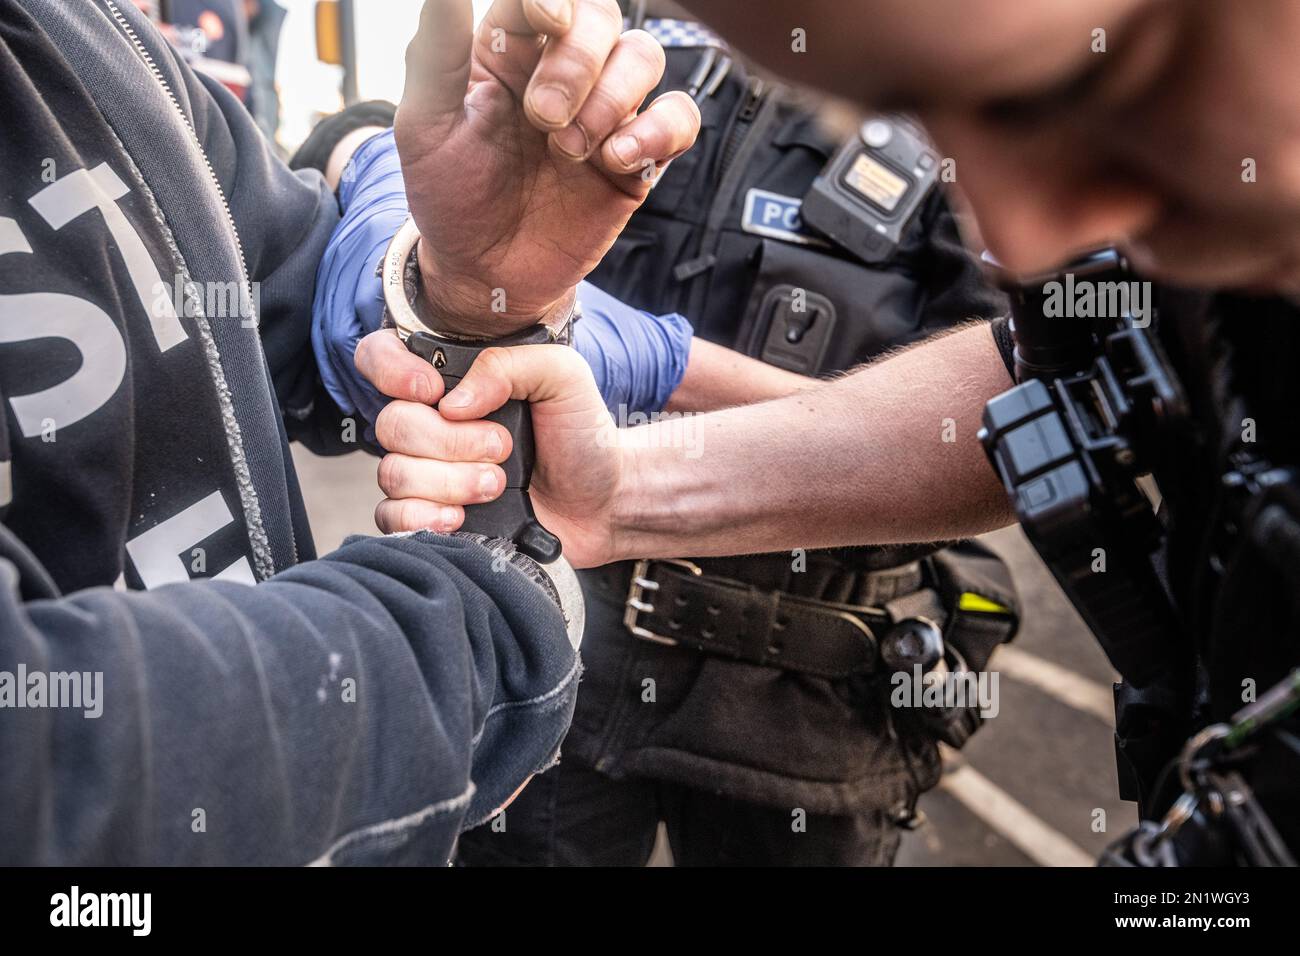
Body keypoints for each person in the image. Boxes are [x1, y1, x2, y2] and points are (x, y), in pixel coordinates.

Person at [357, 0, 1300, 858]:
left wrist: (673, 366)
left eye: (1089, 82)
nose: (1017, 235)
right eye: (910, 109)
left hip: (810, 702)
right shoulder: (612, 56)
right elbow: (1046, 370)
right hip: (587, 668)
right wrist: (621, 488)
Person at [0, 0, 699, 865]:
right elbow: (45, 765)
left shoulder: (97, 43)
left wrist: (470, 296)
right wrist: (486, 625)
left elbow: (306, 307)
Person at [452, 6, 1020, 867]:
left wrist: (671, 369)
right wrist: (370, 161)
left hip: (803, 714)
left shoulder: (949, 81)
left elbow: (1012, 420)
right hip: (559, 667)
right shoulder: (603, 41)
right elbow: (400, 177)